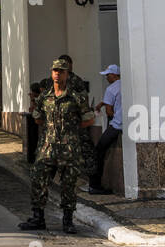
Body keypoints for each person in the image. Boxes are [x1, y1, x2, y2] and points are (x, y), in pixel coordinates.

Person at [19, 57, 95, 234]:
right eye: (55, 70)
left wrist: (71, 130)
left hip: (69, 150)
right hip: (47, 149)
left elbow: (89, 119)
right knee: (39, 181)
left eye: (61, 71)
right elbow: (37, 118)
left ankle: (67, 220)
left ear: (67, 74)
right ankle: (38, 217)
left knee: (68, 186)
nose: (57, 74)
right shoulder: (45, 97)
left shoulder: (76, 98)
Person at [36, 53, 94, 182]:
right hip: (57, 125)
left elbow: (84, 99)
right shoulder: (52, 81)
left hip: (73, 121)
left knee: (84, 150)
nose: (59, 72)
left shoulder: (76, 80)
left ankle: (90, 179)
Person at [89, 65, 124, 193]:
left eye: (108, 75)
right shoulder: (124, 85)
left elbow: (109, 112)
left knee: (98, 152)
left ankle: (95, 185)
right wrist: (102, 103)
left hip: (116, 125)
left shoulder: (110, 89)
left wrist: (113, 113)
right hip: (125, 124)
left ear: (114, 75)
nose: (106, 77)